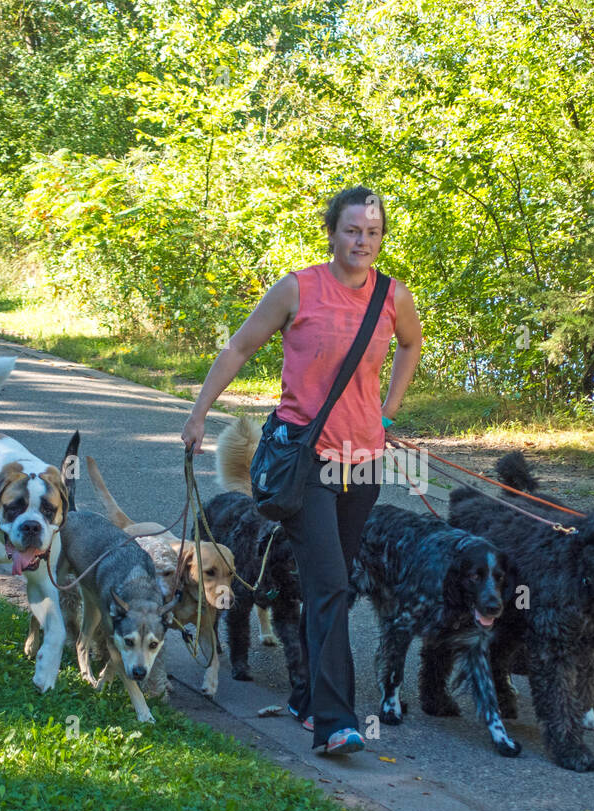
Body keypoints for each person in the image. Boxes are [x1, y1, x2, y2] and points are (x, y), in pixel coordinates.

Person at [181, 187, 423, 754]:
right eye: (352, 231)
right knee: (330, 583)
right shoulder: (297, 288)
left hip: (362, 466)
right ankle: (335, 721)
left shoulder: (392, 295)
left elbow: (411, 346)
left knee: (327, 588)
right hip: (305, 462)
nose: (362, 241)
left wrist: (388, 411)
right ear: (331, 232)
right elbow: (239, 348)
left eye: (373, 232)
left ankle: (305, 696)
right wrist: (198, 414)